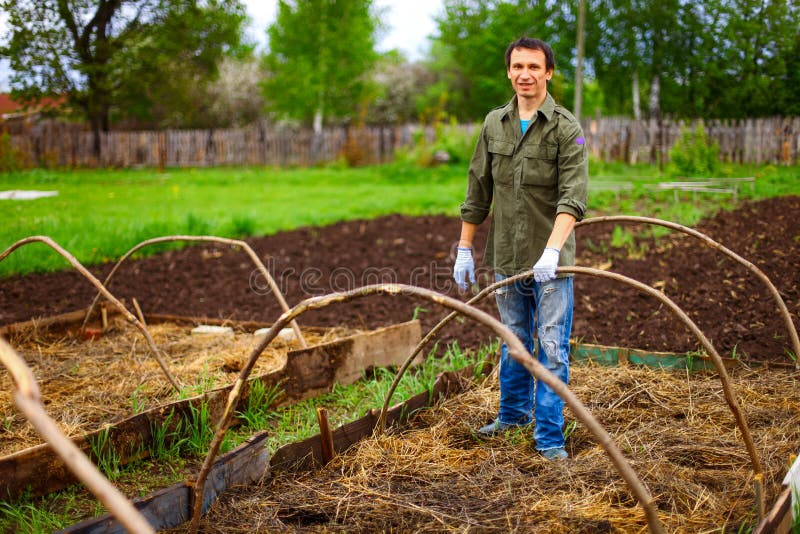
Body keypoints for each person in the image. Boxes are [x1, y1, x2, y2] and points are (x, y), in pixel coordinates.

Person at [452, 36, 588, 461]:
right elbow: (477, 190)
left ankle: (549, 439)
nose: (525, 74)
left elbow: (573, 197)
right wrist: (465, 248)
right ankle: (512, 416)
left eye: (534, 66)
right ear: (508, 72)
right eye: (517, 67)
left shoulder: (567, 128)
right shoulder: (495, 124)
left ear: (548, 72)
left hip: (551, 261)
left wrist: (551, 252)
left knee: (551, 348)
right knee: (513, 340)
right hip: (506, 258)